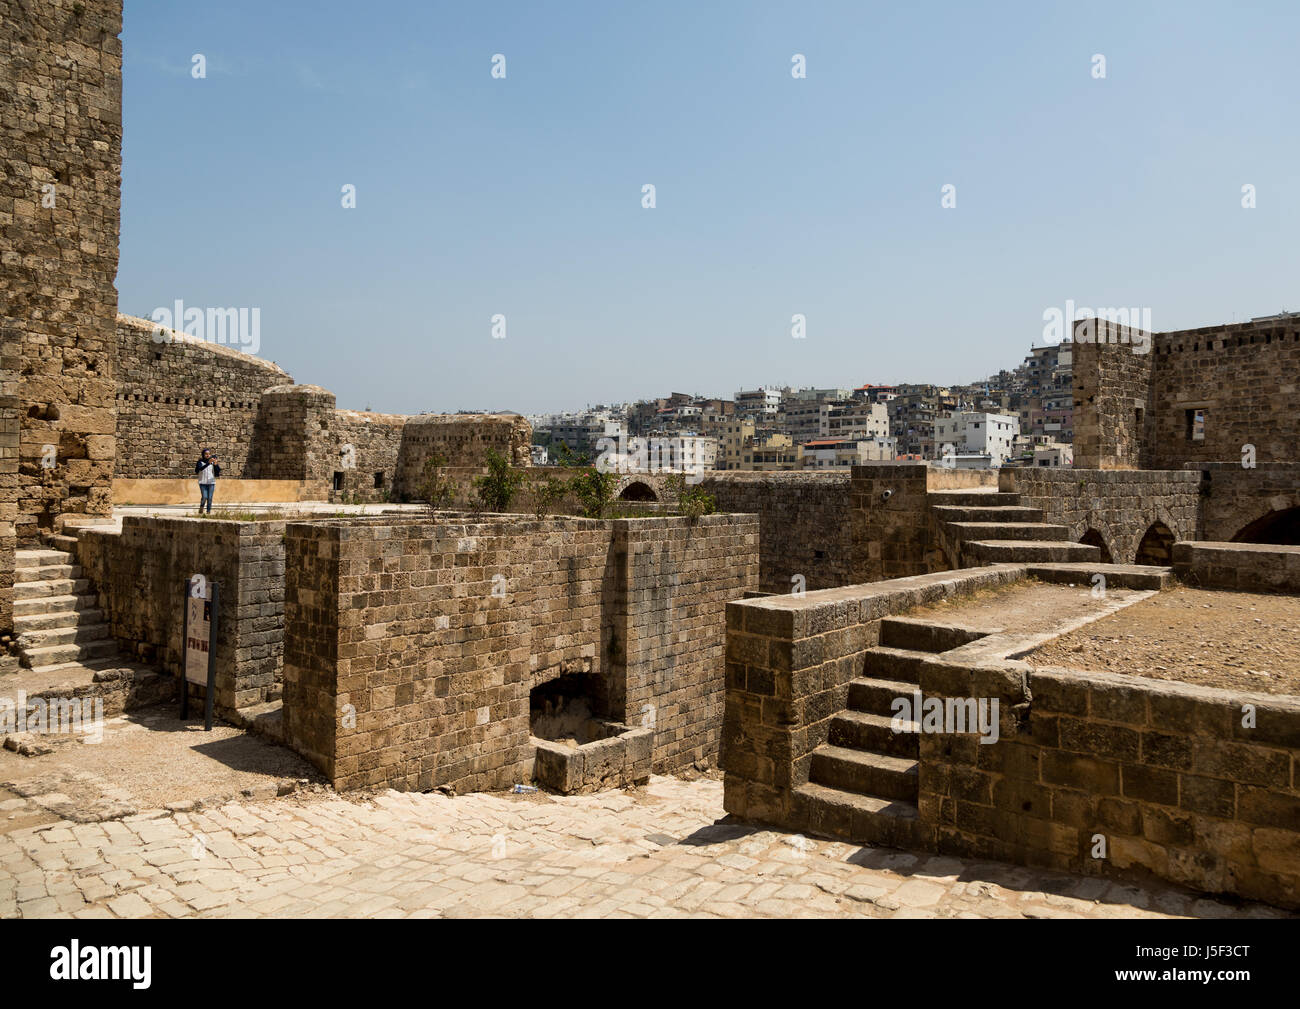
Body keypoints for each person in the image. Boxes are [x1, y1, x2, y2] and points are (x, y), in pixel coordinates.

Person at [195, 448, 221, 513]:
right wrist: (208, 463)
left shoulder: (212, 463)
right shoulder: (200, 462)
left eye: (209, 454)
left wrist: (216, 465)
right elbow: (200, 469)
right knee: (204, 497)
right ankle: (201, 506)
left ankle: (208, 511)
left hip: (211, 482)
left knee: (210, 498)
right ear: (203, 454)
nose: (207, 455)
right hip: (202, 482)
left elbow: (217, 473)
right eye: (206, 454)